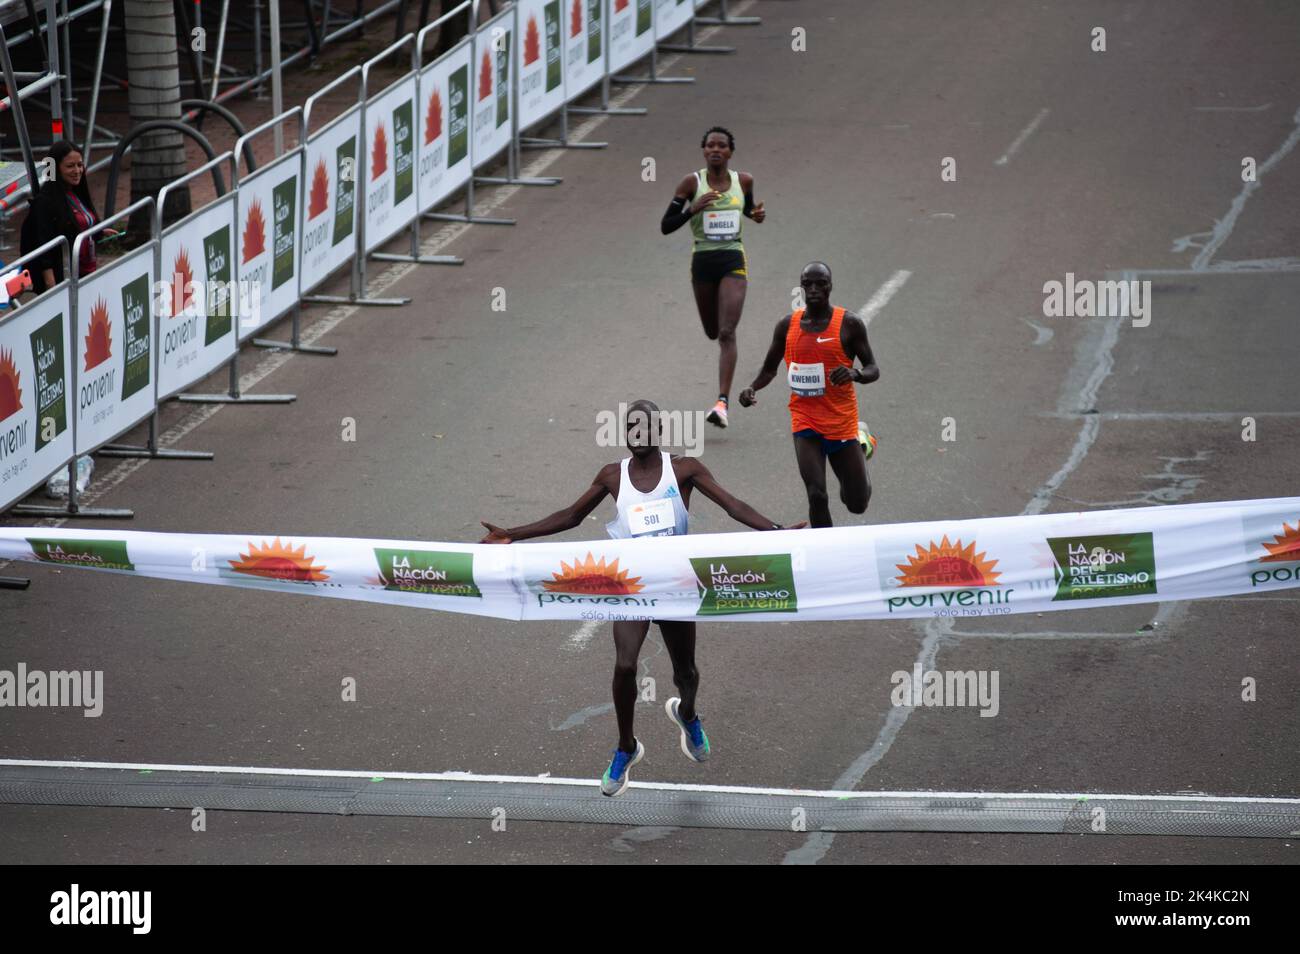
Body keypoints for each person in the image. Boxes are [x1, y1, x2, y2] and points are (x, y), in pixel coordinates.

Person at [480, 399, 802, 796]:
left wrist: (778, 531)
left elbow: (733, 505)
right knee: (626, 665)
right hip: (631, 587)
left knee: (686, 672)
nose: (636, 435)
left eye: (643, 427)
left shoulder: (684, 469)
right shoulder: (613, 475)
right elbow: (570, 516)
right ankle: (626, 747)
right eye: (630, 427)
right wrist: (513, 533)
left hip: (675, 585)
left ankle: (687, 713)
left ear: (659, 431)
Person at [739, 262, 879, 528]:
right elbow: (770, 369)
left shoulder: (849, 324)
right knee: (816, 494)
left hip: (840, 422)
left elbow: (873, 368)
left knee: (857, 504)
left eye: (820, 283)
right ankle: (823, 555)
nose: (814, 289)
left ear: (830, 286)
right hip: (805, 421)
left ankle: (862, 443)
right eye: (808, 284)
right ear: (801, 287)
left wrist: (855, 374)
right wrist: (752, 388)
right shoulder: (787, 326)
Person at [660, 127, 765, 429]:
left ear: (731, 152)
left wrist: (754, 215)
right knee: (711, 330)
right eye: (710, 145)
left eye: (722, 145)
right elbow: (666, 225)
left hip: (733, 258)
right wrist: (693, 209)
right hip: (703, 261)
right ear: (704, 151)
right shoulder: (691, 183)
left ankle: (722, 403)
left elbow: (746, 208)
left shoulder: (743, 181)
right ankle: (722, 395)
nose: (716, 150)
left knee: (726, 332)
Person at [19, 141, 114, 295]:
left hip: (85, 274)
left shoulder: (76, 192)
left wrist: (98, 231)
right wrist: (53, 288)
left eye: (80, 165)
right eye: (70, 166)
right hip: (64, 281)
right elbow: (44, 249)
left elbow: (79, 224)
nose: (77, 171)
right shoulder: (45, 202)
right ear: (56, 168)